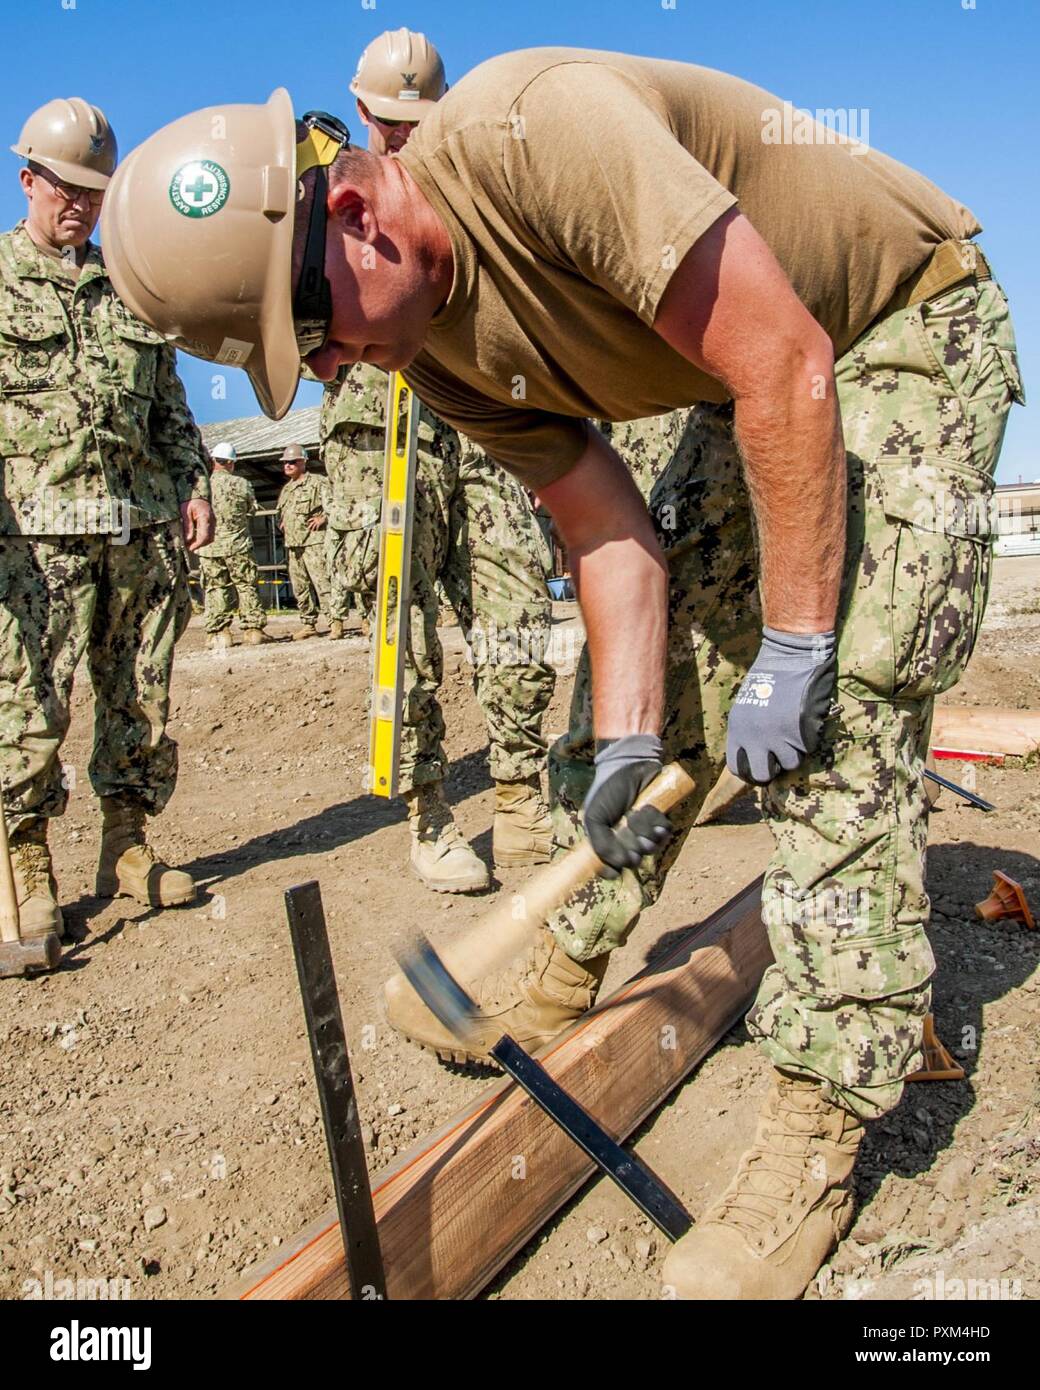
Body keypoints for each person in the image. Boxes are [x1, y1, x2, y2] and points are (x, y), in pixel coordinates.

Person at [100, 48, 1024, 1298]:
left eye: (308, 333)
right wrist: (636, 739)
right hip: (747, 373)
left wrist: (797, 646)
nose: (319, 373)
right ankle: (562, 965)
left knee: (835, 718)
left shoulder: (538, 136)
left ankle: (813, 1130)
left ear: (359, 215)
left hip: (889, 321)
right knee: (666, 696)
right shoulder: (423, 347)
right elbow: (604, 530)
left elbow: (789, 362)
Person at [318, 29, 557, 894]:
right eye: (389, 120)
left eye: (422, 118)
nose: (406, 135)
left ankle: (524, 798)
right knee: (405, 627)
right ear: (361, 110)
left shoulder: (481, 184)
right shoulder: (326, 195)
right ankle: (429, 814)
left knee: (515, 601)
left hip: (485, 421)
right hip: (385, 434)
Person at [1, 97, 214, 959]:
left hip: (134, 538)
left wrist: (193, 484)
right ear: (28, 181)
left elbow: (168, 406)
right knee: (29, 703)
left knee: (137, 695)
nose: (81, 205)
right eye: (67, 188)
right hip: (35, 549)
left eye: (96, 189)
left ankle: (126, 845)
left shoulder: (130, 287)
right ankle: (25, 865)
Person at [197, 441, 272, 649]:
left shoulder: (202, 485)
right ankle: (253, 630)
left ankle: (220, 634)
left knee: (215, 587)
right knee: (245, 585)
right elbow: (251, 508)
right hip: (238, 544)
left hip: (210, 547)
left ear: (213, 461)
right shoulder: (242, 484)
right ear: (231, 463)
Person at [274, 442, 333, 639]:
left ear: (303, 462)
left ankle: (334, 622)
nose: (287, 465)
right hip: (293, 544)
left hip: (313, 543)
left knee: (322, 583)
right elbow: (284, 512)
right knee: (300, 587)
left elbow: (332, 505)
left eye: (292, 462)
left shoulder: (318, 482)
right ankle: (308, 624)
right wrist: (284, 522)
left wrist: (322, 518)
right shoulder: (286, 490)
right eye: (285, 462)